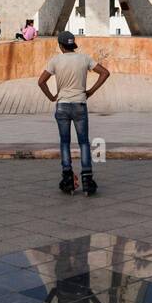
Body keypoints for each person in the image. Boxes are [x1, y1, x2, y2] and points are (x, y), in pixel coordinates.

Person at [37, 30, 110, 196]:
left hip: (62, 105)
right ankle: (87, 180)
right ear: (73, 44)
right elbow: (105, 73)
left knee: (65, 142)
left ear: (61, 45)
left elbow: (41, 81)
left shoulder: (55, 61)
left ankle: (68, 179)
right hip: (79, 104)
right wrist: (90, 91)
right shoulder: (84, 59)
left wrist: (51, 97)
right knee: (83, 142)